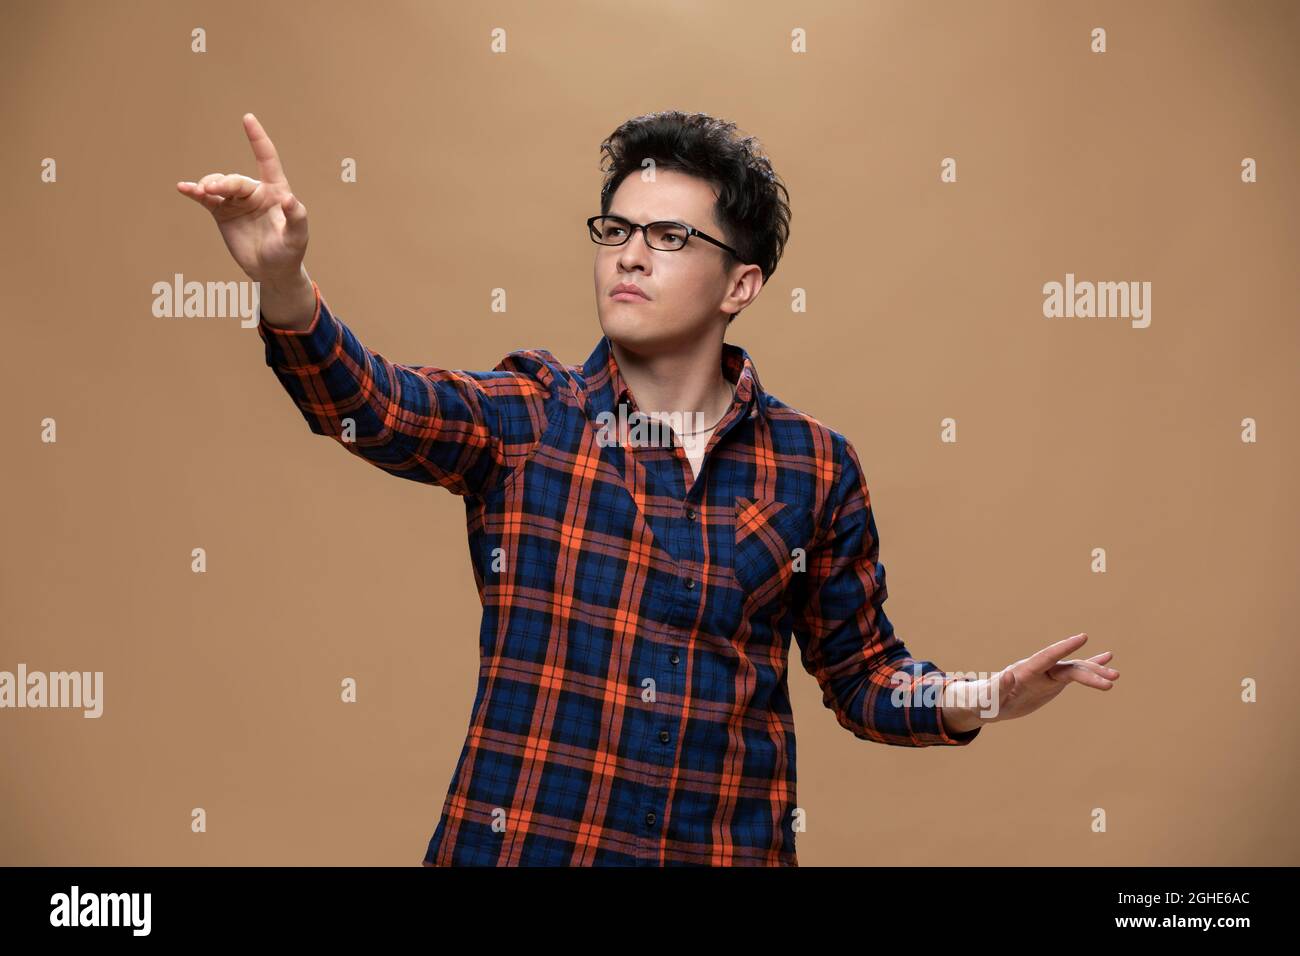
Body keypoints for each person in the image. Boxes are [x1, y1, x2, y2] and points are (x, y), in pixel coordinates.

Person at [177, 110, 1121, 866]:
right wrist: (287, 286)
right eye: (616, 229)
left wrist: (983, 695)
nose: (630, 254)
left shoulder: (814, 466)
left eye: (669, 236)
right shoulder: (529, 415)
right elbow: (371, 405)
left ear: (739, 284)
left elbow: (865, 677)